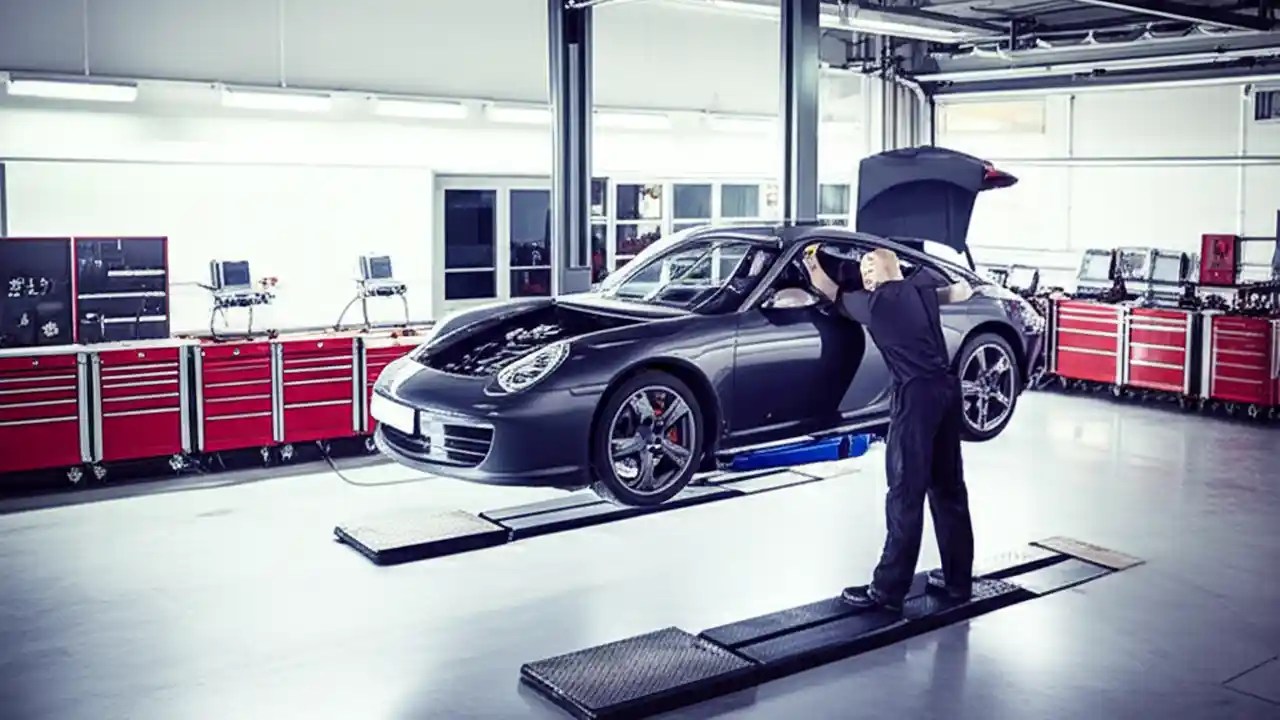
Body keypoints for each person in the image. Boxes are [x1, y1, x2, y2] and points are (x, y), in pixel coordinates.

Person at [802, 245, 976, 613]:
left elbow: (827, 289)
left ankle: (887, 591)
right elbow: (954, 290)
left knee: (904, 492)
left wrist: (812, 256)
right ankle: (959, 582)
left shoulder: (878, 302)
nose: (865, 275)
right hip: (946, 389)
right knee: (948, 488)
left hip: (916, 398)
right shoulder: (921, 289)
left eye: (870, 268)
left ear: (883, 272)